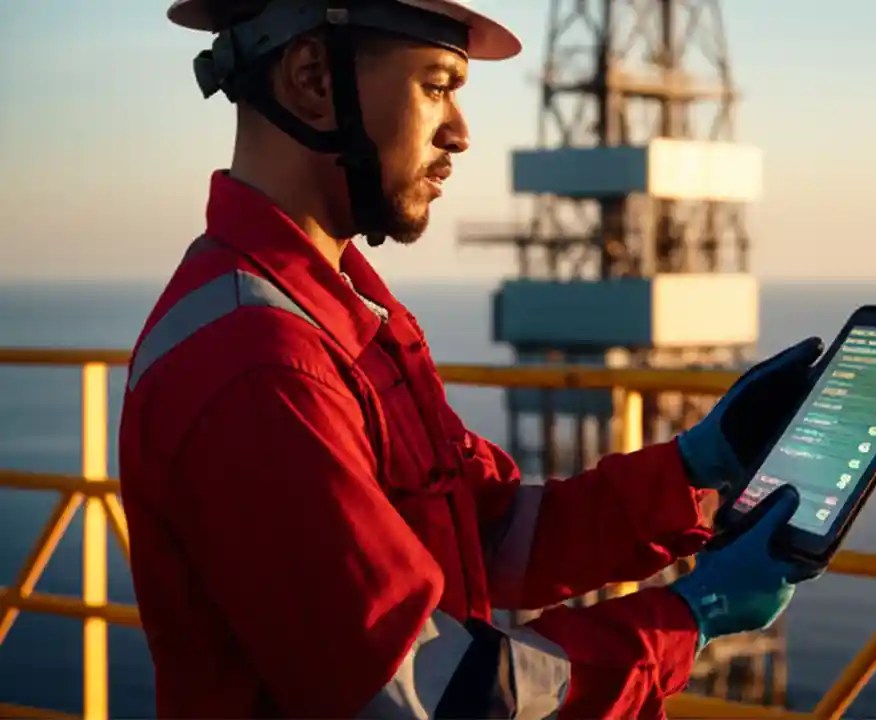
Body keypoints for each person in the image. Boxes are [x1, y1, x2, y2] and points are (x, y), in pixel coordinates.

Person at [118, 0, 824, 717]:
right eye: (436, 85)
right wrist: (687, 617)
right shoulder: (259, 368)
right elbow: (438, 697)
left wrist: (695, 469)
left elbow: (487, 536)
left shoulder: (343, 311)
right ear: (313, 81)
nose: (460, 133)